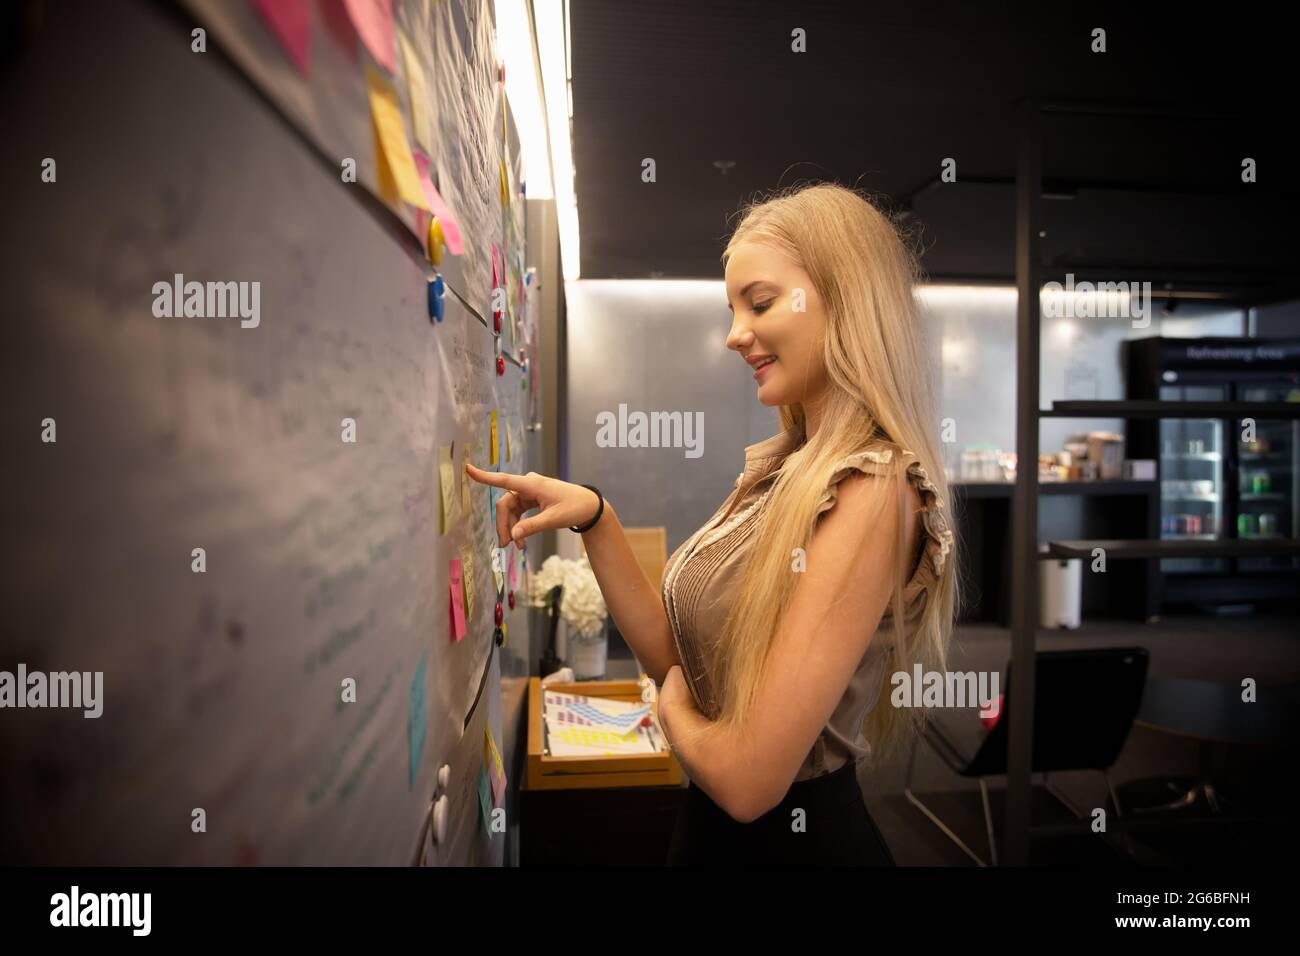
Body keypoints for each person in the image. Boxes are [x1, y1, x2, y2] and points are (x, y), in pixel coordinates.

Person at [466, 182, 957, 866]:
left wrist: (669, 711)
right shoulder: (786, 469)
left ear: (844, 299)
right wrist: (596, 519)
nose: (734, 334)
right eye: (733, 308)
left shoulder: (872, 489)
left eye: (757, 303)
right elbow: (680, 662)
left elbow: (746, 779)